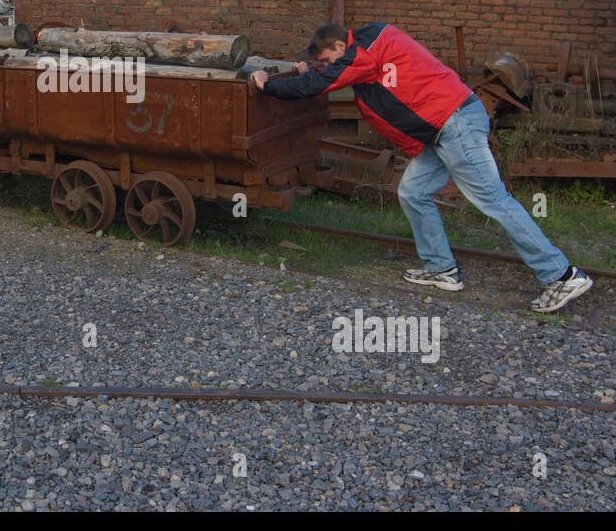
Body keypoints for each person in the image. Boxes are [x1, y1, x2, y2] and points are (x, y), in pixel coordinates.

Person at [250, 22, 593, 313]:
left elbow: (323, 82)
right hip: (442, 132)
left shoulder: (365, 50)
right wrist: (313, 69)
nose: (331, 65)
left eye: (328, 58)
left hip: (454, 125)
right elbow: (336, 72)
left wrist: (269, 85)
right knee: (413, 192)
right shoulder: (367, 43)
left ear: (341, 44)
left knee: (495, 201)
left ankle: (561, 275)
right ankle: (442, 269)